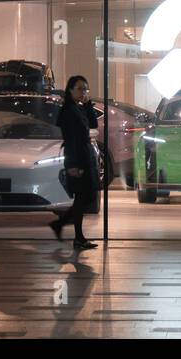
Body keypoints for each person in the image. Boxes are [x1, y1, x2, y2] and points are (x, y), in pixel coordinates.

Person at [49, 75, 101, 249]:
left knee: (85, 197)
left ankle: (63, 226)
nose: (83, 92)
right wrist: (72, 165)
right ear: (70, 90)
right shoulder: (68, 111)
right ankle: (76, 236)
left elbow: (94, 124)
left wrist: (87, 104)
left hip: (84, 156)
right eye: (79, 88)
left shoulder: (78, 108)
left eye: (85, 89)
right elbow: (70, 140)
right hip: (78, 158)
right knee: (82, 197)